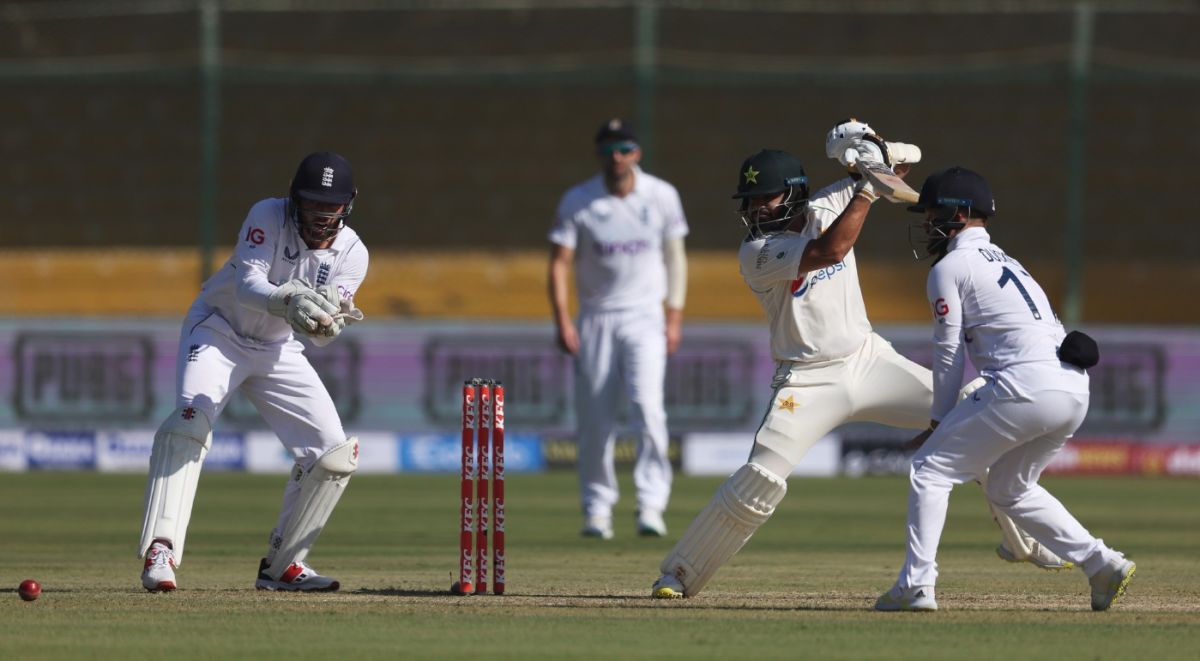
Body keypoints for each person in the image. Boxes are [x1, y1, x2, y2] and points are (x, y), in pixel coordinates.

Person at [650, 121, 1061, 601]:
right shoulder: (756, 252)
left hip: (868, 360)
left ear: (794, 195)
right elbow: (831, 249)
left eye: (765, 199)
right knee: (761, 476)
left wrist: (866, 149)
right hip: (805, 381)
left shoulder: (828, 203)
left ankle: (1025, 541)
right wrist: (866, 185)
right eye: (750, 201)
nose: (754, 210)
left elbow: (906, 159)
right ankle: (678, 574)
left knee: (975, 408)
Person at [875, 167, 1134, 612]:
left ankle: (917, 585)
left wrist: (938, 421)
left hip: (1024, 384)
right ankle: (1101, 562)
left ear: (959, 214)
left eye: (933, 212)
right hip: (1072, 389)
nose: (926, 222)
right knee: (1009, 489)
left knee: (929, 470)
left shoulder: (950, 267)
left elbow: (948, 353)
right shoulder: (1010, 262)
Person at [138, 151, 368, 592]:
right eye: (311, 203)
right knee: (190, 424)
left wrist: (326, 324)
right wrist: (291, 302)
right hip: (219, 331)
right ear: (294, 198)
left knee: (332, 454)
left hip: (277, 348)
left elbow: (323, 333)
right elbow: (247, 286)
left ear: (348, 204)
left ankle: (283, 565)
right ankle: (160, 549)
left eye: (331, 206)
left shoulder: (353, 254)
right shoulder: (267, 214)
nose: (321, 215)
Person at [547, 118, 689, 540]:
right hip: (596, 317)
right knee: (594, 419)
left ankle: (651, 504)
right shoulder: (579, 200)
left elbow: (675, 257)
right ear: (599, 154)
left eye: (624, 148)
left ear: (636, 153)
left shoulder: (662, 195)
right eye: (609, 149)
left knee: (647, 408)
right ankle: (597, 509)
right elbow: (559, 263)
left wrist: (674, 316)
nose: (617, 157)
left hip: (646, 316)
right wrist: (563, 318)